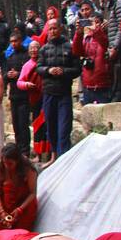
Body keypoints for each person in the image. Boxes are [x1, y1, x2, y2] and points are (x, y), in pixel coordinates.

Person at [35, 18, 80, 161]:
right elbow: (39, 68)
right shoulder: (43, 49)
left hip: (64, 94)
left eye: (55, 28)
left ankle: (64, 160)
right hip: (48, 94)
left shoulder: (69, 47)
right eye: (50, 29)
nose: (53, 31)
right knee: (51, 128)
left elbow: (77, 69)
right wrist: (49, 70)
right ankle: (54, 157)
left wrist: (64, 71)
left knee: (64, 128)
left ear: (60, 29)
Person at [0, 143, 37, 230]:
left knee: (20, 232)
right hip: (4, 205)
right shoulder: (0, 169)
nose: (7, 166)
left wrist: (20, 209)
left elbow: (32, 193)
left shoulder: (29, 170)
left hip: (24, 206)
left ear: (17, 161)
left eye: (10, 164)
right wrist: (1, 210)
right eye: (5, 163)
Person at [72, 2, 110, 106]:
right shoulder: (86, 39)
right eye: (93, 23)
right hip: (88, 85)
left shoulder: (106, 36)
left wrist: (96, 30)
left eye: (97, 22)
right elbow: (77, 51)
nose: (95, 25)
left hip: (103, 85)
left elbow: (104, 44)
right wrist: (78, 34)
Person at [4, 26, 32, 155]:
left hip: (25, 95)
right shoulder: (10, 57)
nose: (13, 44)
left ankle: (25, 151)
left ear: (21, 40)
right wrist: (8, 76)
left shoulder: (27, 55)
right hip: (13, 95)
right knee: (16, 125)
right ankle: (18, 151)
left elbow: (32, 73)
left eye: (15, 41)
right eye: (11, 42)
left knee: (23, 124)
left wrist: (19, 74)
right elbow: (4, 75)